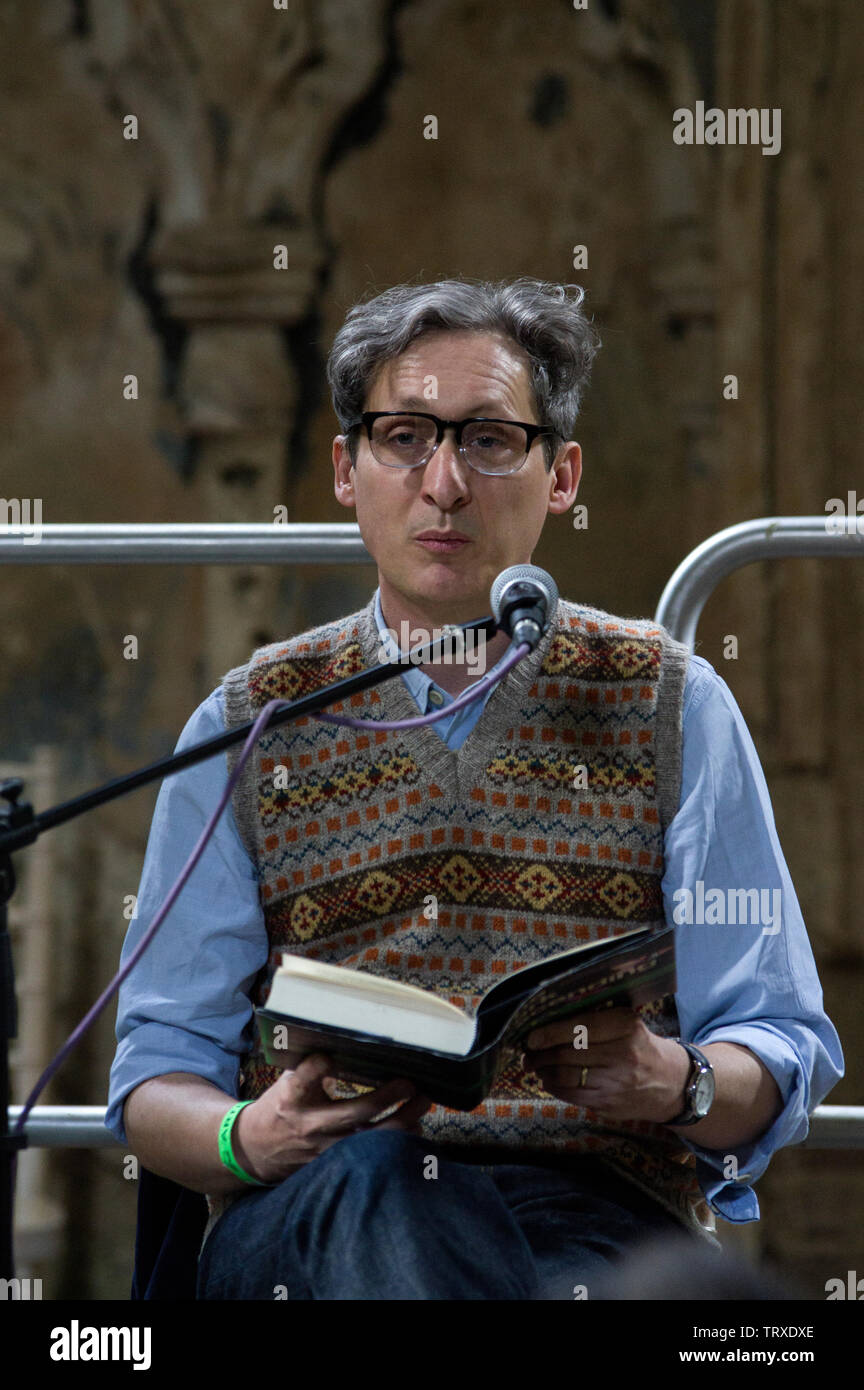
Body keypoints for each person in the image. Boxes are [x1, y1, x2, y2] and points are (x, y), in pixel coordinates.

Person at [106, 277, 843, 1300]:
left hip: (589, 1216)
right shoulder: (252, 722)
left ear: (561, 475)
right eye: (405, 436)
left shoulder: (673, 703)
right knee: (383, 1183)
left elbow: (781, 1044)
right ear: (345, 469)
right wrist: (250, 1133)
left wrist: (678, 1081)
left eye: (490, 441)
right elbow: (154, 1078)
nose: (444, 481)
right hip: (317, 1212)